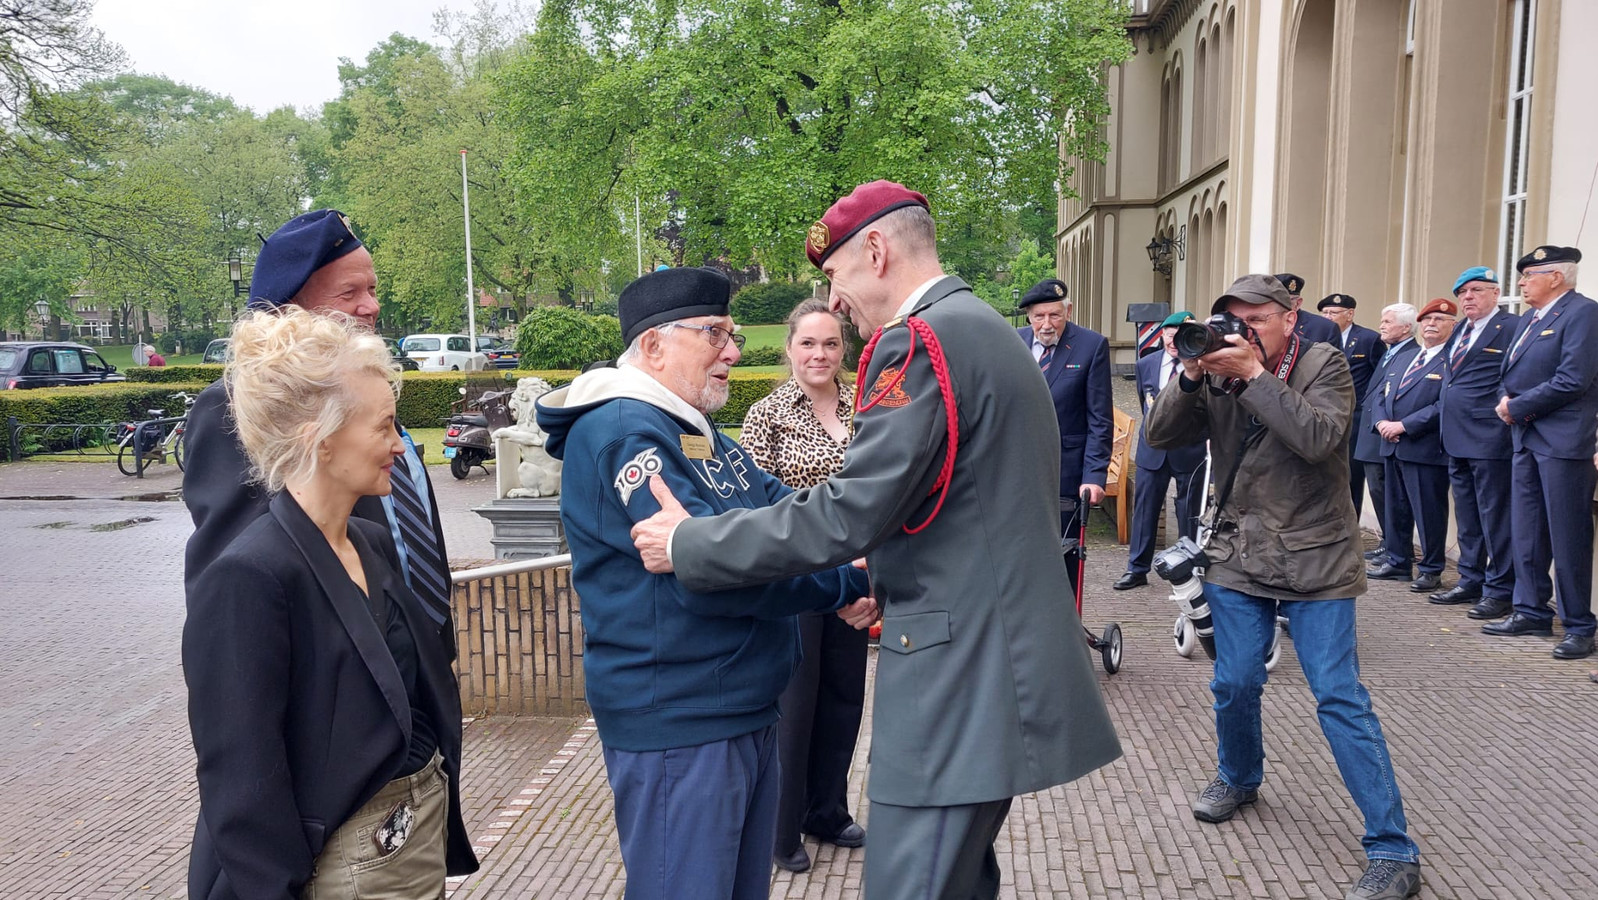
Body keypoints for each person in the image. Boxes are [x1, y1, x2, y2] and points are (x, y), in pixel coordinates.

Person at [630, 181, 1122, 900]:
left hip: (957, 681)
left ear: (877, 249)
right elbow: (964, 506)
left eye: (835, 277)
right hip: (994, 666)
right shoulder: (981, 327)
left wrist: (693, 544)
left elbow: (846, 511)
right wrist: (882, 579)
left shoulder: (918, 342)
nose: (834, 302)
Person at [534, 266, 875, 900]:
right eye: (715, 333)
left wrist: (866, 559)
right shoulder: (627, 433)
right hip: (683, 719)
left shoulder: (695, 429)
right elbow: (718, 574)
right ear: (655, 345)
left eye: (733, 332)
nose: (734, 351)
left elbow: (782, 511)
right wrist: (842, 586)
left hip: (736, 706)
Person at [183, 307, 477, 898]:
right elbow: (242, 783)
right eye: (385, 426)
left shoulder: (369, 543)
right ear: (317, 436)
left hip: (414, 848)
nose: (401, 445)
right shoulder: (249, 578)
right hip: (342, 872)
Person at [1146, 273, 1422, 900]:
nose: (1241, 332)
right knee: (1235, 678)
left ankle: (1391, 848)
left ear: (1288, 319)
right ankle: (1239, 777)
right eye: (1231, 321)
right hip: (1239, 550)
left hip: (1318, 554)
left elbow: (1321, 439)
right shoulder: (1216, 366)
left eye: (1255, 320)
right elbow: (1161, 438)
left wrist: (1254, 378)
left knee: (1337, 695)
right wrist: (1190, 374)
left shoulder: (1327, 363)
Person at [182, 210, 458, 660]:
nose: (371, 306)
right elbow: (232, 587)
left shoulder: (362, 392)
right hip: (339, 684)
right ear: (288, 313)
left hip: (417, 668)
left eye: (372, 289)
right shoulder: (235, 408)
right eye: (349, 292)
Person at [739, 299, 869, 875]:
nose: (820, 354)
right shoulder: (765, 415)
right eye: (809, 343)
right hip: (796, 578)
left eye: (831, 343)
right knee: (797, 702)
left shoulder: (864, 409)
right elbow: (753, 508)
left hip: (855, 573)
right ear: (789, 348)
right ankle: (780, 825)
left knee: (843, 696)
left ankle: (827, 810)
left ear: (845, 350)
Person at [1484, 246, 1598, 660]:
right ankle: (1530, 609)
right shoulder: (1531, 319)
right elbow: (1509, 373)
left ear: (1557, 277)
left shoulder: (1583, 313)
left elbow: (1574, 379)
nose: (1520, 283)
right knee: (1527, 530)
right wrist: (1506, 399)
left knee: (1568, 536)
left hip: (1564, 442)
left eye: (1530, 275)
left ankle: (1579, 625)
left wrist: (1514, 406)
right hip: (1527, 438)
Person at [1016, 277, 1113, 597]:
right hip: (1017, 477)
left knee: (1064, 556)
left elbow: (1100, 419)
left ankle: (1064, 632)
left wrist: (1095, 476)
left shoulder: (1091, 345)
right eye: (1039, 316)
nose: (1047, 324)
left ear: (1067, 312)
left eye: (1055, 315)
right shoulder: (1013, 344)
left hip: (1066, 475)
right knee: (1019, 556)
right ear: (1028, 316)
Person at [1434, 267, 1519, 616]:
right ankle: (1470, 579)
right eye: (1462, 292)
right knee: (1468, 517)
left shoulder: (1512, 327)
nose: (1468, 297)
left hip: (1490, 438)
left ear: (1496, 293)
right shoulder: (1461, 331)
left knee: (1495, 517)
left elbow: (1514, 376)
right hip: (1455, 437)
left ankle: (1499, 590)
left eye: (1477, 290)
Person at [1372, 298, 1457, 594]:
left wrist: (1404, 426)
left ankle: (1431, 569)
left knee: (1428, 512)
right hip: (1391, 443)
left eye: (1439, 320)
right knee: (1395, 508)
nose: (1431, 325)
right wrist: (1381, 422)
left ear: (1452, 326)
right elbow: (1381, 394)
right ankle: (1398, 561)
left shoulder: (1451, 358)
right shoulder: (1404, 356)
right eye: (1427, 320)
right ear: (1418, 325)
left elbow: (1442, 405)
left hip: (1424, 446)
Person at [1116, 310, 1204, 590]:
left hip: (1190, 448)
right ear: (1162, 334)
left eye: (1180, 335)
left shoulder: (1202, 365)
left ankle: (1189, 568)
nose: (1173, 340)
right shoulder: (1146, 363)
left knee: (1189, 510)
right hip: (1153, 449)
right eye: (1169, 333)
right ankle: (1137, 569)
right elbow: (1147, 402)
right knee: (1145, 509)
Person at [1357, 304, 1418, 569]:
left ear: (1406, 327)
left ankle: (1397, 549)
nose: (1381, 325)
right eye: (1382, 320)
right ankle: (1388, 545)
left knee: (1387, 493)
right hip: (1374, 429)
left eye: (1388, 321)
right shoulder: (1390, 351)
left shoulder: (1411, 352)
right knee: (1378, 490)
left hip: (1386, 432)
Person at [1318, 294, 1381, 514]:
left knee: (1352, 473)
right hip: (1323, 413)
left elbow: (1378, 378)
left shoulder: (1369, 339)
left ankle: (1350, 525)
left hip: (1356, 417)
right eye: (1324, 313)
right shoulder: (1319, 338)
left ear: (1350, 314)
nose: (1327, 317)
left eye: (1333, 313)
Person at [1276, 273, 1343, 345]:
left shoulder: (1325, 328)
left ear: (1298, 303)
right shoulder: (1263, 323)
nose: (1278, 305)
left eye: (1285, 301)